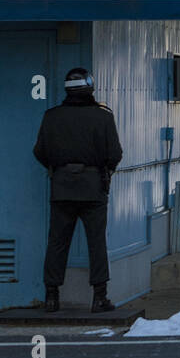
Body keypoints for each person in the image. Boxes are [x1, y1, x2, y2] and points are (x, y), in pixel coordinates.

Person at [33, 68, 123, 313]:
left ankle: (51, 297)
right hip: (93, 187)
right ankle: (99, 297)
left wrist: (58, 169)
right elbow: (115, 154)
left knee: (57, 242)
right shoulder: (103, 117)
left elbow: (39, 151)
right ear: (90, 88)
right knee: (96, 243)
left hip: (61, 187)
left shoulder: (51, 116)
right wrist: (104, 171)